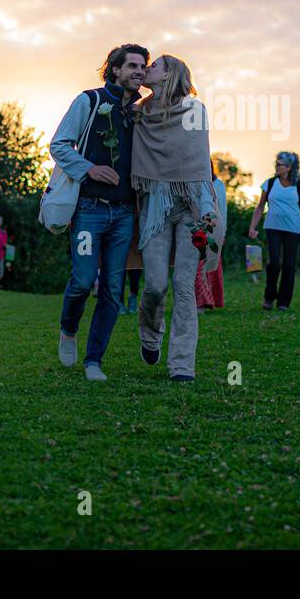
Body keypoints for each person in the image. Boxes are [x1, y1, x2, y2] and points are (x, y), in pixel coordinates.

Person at [49, 43, 148, 381]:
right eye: (132, 65)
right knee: (82, 280)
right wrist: (89, 168)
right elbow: (59, 144)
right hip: (89, 212)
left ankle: (94, 362)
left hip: (123, 215)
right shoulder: (89, 101)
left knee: (112, 290)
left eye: (143, 66)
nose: (139, 71)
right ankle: (68, 329)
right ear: (115, 69)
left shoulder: (140, 113)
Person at [132, 54, 217, 382]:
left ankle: (182, 365)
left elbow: (198, 161)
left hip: (191, 207)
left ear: (169, 76)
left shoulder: (195, 111)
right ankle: (151, 335)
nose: (146, 69)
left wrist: (208, 209)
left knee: (183, 287)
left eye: (154, 66)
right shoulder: (139, 113)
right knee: (154, 285)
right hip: (155, 205)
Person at [248, 150, 300, 311]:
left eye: (279, 164)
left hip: (293, 230)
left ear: (288, 167)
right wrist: (252, 227)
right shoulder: (270, 183)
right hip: (272, 227)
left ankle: (283, 302)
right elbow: (260, 207)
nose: (276, 166)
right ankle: (269, 297)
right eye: (276, 163)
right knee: (274, 263)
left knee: (289, 265)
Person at [195, 159, 226, 311]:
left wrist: (223, 232)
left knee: (212, 268)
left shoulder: (219, 185)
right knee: (197, 266)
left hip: (214, 227)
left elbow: (222, 210)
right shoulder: (194, 183)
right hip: (197, 227)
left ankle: (212, 300)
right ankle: (200, 302)